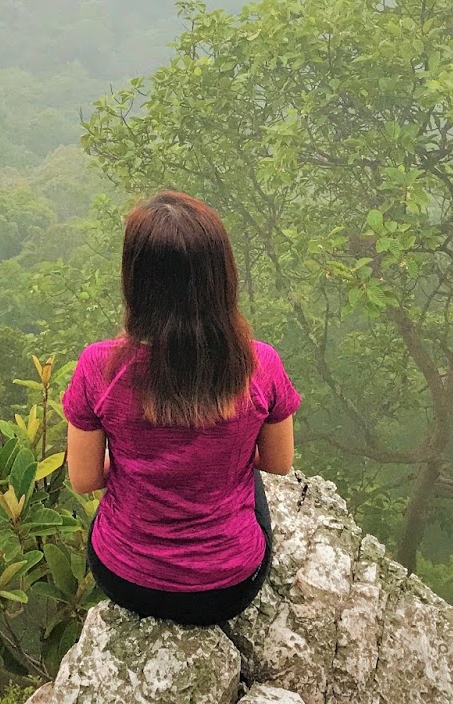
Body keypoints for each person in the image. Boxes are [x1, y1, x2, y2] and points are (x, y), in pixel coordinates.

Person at [61, 190, 301, 626]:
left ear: (135, 279)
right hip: (229, 588)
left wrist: (146, 462)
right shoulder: (259, 364)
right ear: (221, 277)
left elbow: (84, 479)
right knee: (248, 481)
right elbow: (280, 464)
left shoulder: (98, 366)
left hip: (124, 578)